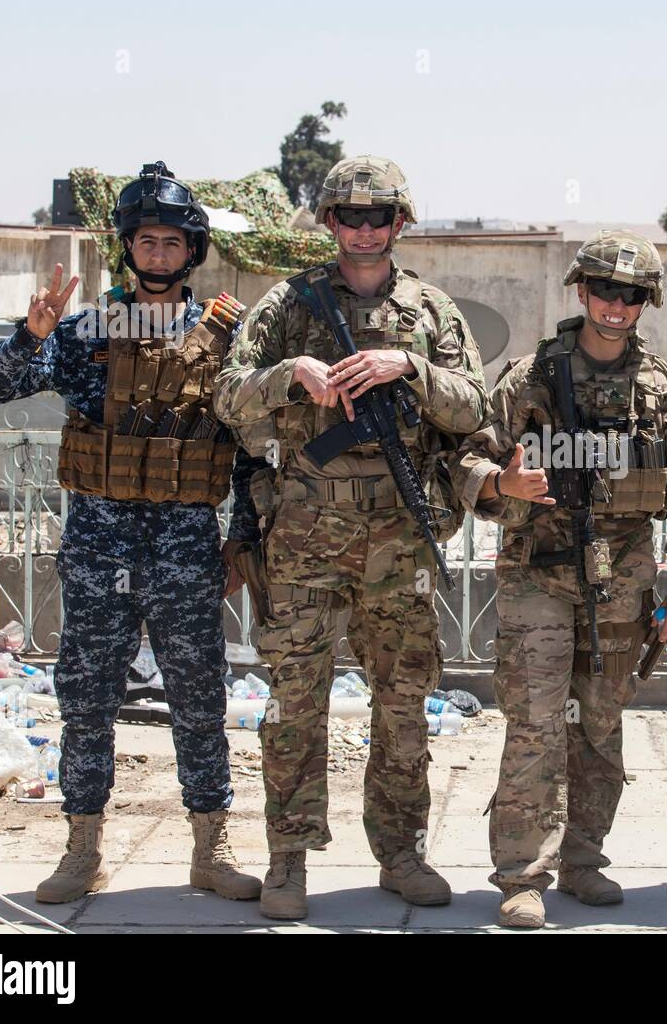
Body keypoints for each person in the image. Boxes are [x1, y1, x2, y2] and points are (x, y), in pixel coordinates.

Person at [0, 162, 261, 904]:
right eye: (145, 241)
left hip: (186, 548)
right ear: (127, 248)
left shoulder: (227, 337)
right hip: (100, 545)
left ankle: (211, 845)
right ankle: (82, 848)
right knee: (87, 701)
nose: (158, 254)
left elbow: (251, 450)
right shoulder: (87, 329)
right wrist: (29, 333)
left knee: (201, 699)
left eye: (171, 241)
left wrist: (245, 538)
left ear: (191, 249)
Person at [213, 155, 487, 920]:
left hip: (399, 539)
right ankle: (289, 857)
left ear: (400, 223)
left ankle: (400, 851)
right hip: (305, 535)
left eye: (378, 217)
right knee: (295, 700)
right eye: (348, 216)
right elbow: (227, 399)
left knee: (403, 703)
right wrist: (289, 373)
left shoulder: (432, 311)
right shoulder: (288, 305)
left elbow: (476, 408)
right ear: (328, 222)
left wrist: (412, 368)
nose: (363, 230)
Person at [452, 230, 667, 928]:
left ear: (645, 302)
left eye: (629, 294)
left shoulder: (659, 388)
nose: (614, 305)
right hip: (538, 574)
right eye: (603, 290)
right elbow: (466, 463)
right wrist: (502, 482)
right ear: (581, 291)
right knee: (536, 723)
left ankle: (584, 858)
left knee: (599, 723)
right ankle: (521, 873)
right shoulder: (530, 379)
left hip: (621, 583)